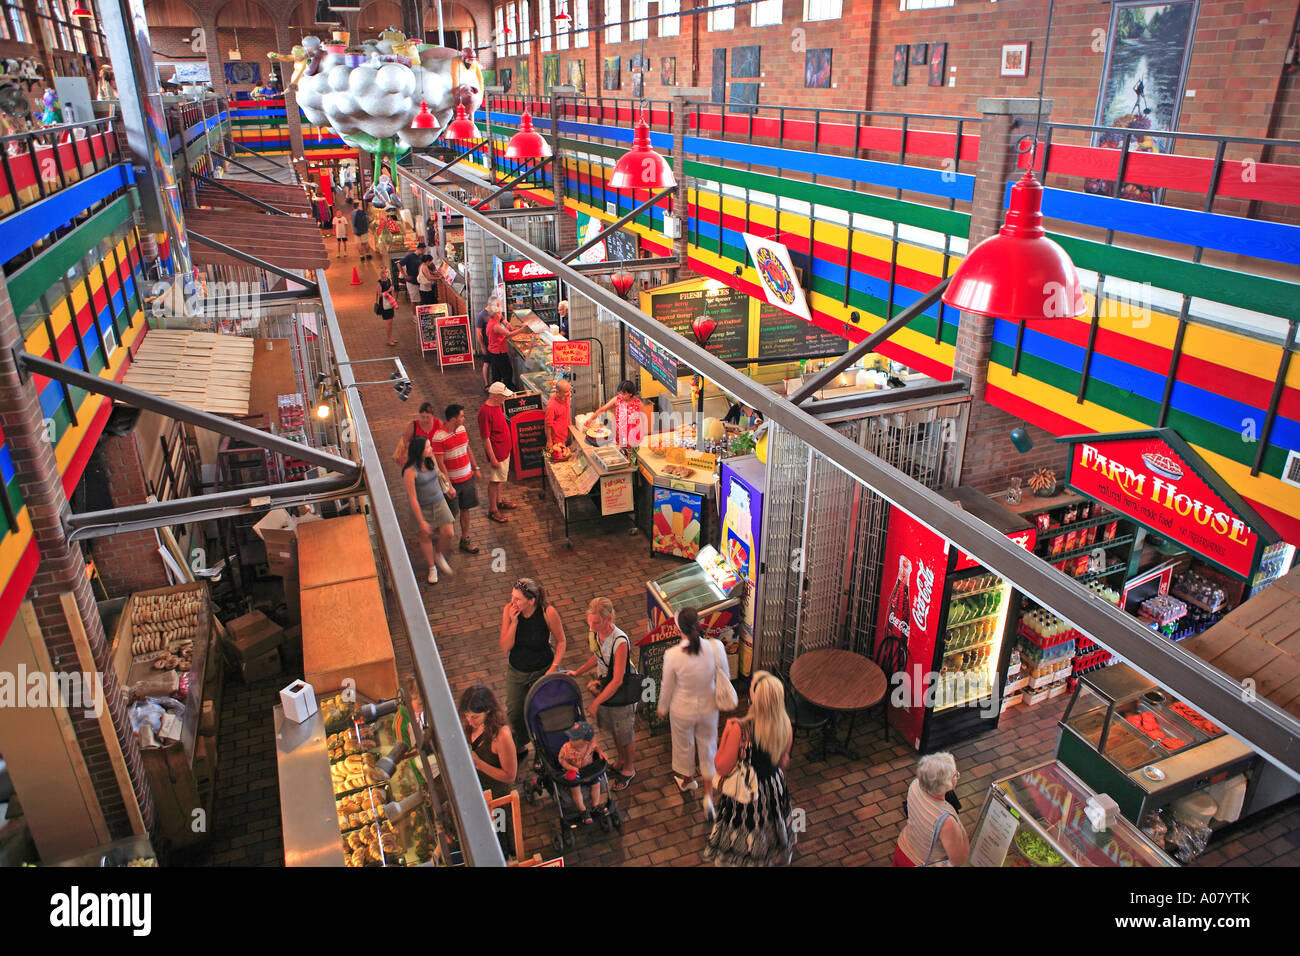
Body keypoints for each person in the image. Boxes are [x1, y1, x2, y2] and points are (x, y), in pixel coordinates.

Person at [702, 670, 796, 866]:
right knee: (769, 828)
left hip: (747, 793)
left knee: (748, 830)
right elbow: (783, 761)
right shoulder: (785, 724)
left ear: (755, 698)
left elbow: (721, 767)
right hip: (773, 787)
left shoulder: (741, 729)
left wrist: (726, 733)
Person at [658, 607, 726, 818]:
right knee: (708, 747)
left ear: (679, 628)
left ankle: (687, 780)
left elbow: (667, 686)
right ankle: (708, 797)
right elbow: (725, 675)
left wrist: (662, 707)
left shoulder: (672, 655)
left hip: (682, 709)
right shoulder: (716, 648)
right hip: (708, 707)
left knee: (683, 746)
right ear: (699, 623)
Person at [570, 597, 639, 792]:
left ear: (608, 619)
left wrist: (596, 703)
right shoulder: (595, 633)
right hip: (607, 688)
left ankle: (629, 768)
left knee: (624, 731)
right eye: (589, 622)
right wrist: (577, 672)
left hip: (621, 692)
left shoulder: (620, 641)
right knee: (615, 729)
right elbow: (598, 656)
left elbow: (617, 680)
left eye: (595, 623)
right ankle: (621, 760)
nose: (591, 627)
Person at [500, 577, 567, 756]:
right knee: (514, 712)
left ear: (531, 601)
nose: (512, 602)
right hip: (517, 671)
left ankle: (545, 748)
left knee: (544, 711)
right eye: (512, 597)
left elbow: (561, 641)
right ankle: (520, 744)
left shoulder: (547, 612)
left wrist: (554, 667)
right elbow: (505, 646)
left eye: (517, 599)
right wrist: (514, 623)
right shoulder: (508, 610)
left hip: (543, 669)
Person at [460, 684, 519, 859]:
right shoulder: (472, 725)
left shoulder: (501, 735)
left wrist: (479, 764)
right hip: (477, 794)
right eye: (466, 716)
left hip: (497, 800)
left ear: (488, 710)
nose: (470, 721)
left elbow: (510, 776)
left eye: (474, 717)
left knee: (499, 838)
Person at [893, 752, 969, 867]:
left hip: (903, 848)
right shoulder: (945, 820)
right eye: (955, 775)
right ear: (945, 785)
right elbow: (958, 860)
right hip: (919, 862)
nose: (958, 775)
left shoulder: (915, 785)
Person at [401, 435, 456, 584]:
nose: (431, 448)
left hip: (439, 502)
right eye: (427, 447)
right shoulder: (409, 471)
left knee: (449, 533)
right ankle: (432, 568)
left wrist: (448, 488)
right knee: (425, 537)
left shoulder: (430, 459)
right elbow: (412, 498)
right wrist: (421, 521)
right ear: (419, 451)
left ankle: (438, 553)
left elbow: (439, 475)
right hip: (422, 507)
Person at [431, 404, 481, 554]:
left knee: (466, 509)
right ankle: (440, 542)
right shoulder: (439, 437)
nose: (464, 418)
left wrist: (475, 468)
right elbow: (440, 463)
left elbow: (467, 448)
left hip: (467, 478)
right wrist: (449, 486)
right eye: (461, 416)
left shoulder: (462, 429)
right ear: (454, 419)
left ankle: (465, 539)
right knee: (449, 515)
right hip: (452, 483)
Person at [477, 381, 517, 524]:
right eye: (503, 396)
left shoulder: (497, 405)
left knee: (500, 479)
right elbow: (485, 438)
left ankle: (499, 501)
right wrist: (493, 458)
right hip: (497, 452)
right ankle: (493, 510)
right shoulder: (485, 412)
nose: (505, 398)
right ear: (495, 396)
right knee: (494, 481)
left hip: (504, 449)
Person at [557, 721, 607, 824]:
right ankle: (583, 810)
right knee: (575, 788)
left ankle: (595, 805)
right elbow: (561, 760)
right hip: (574, 771)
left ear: (586, 742)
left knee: (596, 783)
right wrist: (570, 767)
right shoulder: (566, 748)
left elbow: (596, 747)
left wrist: (600, 752)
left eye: (574, 738)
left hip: (588, 769)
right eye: (570, 737)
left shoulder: (591, 745)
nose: (570, 739)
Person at [590, 380, 645, 448]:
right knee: (621, 451)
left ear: (631, 393)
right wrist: (591, 419)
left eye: (624, 394)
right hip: (620, 434)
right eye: (619, 393)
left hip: (633, 435)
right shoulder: (617, 400)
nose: (621, 396)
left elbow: (643, 421)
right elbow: (602, 409)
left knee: (631, 452)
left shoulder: (638, 403)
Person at [486, 304, 528, 391]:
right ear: (496, 314)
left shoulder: (491, 322)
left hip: (493, 351)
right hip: (499, 352)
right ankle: (509, 389)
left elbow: (505, 328)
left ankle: (496, 390)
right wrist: (522, 329)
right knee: (507, 372)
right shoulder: (496, 326)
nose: (501, 314)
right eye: (500, 313)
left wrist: (509, 326)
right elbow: (508, 335)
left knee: (496, 373)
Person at [392, 401, 439, 467]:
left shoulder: (438, 423)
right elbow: (405, 440)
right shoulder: (413, 425)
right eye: (423, 417)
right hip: (417, 459)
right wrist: (418, 450)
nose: (425, 420)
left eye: (428, 417)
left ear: (432, 416)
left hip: (433, 459)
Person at [544, 378, 572, 448]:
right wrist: (549, 441)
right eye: (566, 392)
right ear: (557, 392)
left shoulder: (567, 397)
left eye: (569, 390)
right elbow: (548, 425)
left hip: (567, 434)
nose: (569, 393)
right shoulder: (551, 406)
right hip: (557, 440)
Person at [376, 266, 397, 346]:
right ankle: (389, 339)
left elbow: (392, 292)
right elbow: (380, 295)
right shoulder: (379, 283)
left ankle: (391, 337)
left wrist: (394, 300)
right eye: (383, 273)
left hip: (390, 302)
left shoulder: (389, 280)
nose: (385, 274)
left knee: (391, 322)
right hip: (385, 304)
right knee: (388, 322)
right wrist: (389, 291)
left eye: (386, 272)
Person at [401, 241, 426, 307]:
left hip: (418, 281)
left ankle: (418, 312)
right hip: (412, 282)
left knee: (419, 300)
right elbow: (399, 264)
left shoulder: (420, 257)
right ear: (421, 249)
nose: (424, 252)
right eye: (424, 250)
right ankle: (415, 313)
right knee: (415, 301)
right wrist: (404, 275)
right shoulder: (410, 256)